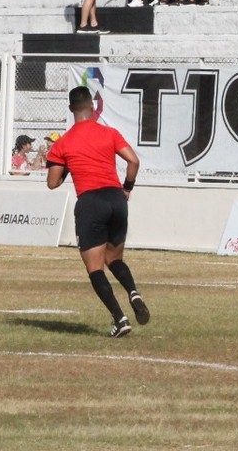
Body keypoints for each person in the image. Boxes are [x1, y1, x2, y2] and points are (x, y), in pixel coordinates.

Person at [46, 86, 147, 337]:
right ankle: (133, 292)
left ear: (71, 110)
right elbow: (133, 161)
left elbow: (52, 182)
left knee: (95, 268)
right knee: (114, 259)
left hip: (91, 202)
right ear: (92, 107)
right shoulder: (109, 133)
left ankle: (120, 318)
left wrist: (69, 165)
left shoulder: (64, 143)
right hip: (116, 198)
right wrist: (127, 188)